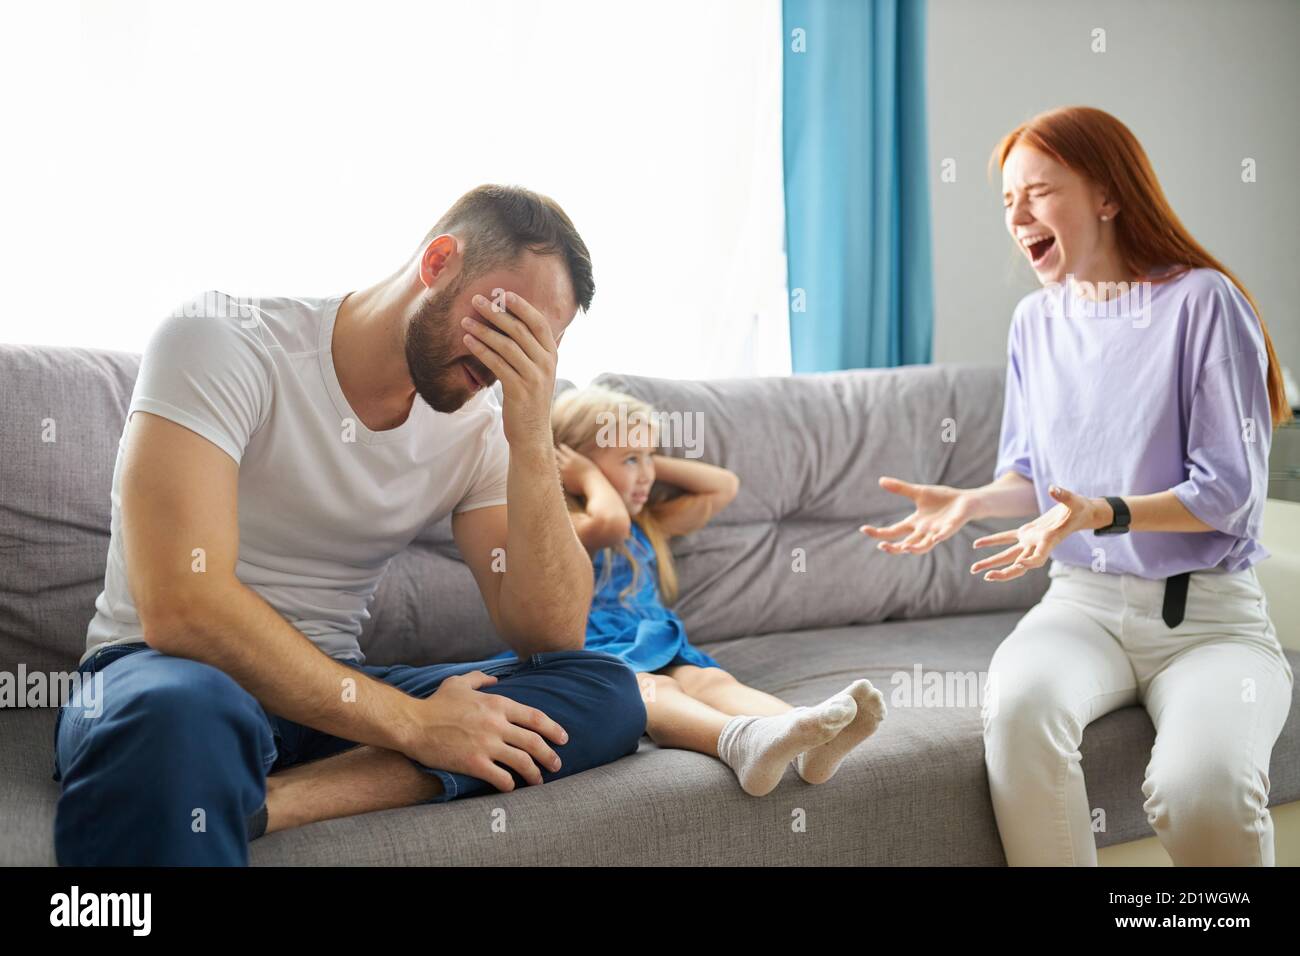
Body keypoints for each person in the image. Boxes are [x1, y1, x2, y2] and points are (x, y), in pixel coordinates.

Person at [53, 185, 646, 865]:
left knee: (605, 691)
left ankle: (270, 802)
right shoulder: (222, 341)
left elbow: (550, 633)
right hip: (166, 675)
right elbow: (181, 607)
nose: (507, 362)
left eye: (538, 347)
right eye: (507, 325)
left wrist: (532, 434)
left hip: (331, 695)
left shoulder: (483, 427)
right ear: (439, 264)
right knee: (175, 720)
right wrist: (415, 724)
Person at [861, 106, 1294, 865]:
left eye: (1037, 192)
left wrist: (1107, 512)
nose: (1017, 215)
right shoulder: (1034, 322)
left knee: (1204, 792)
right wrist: (972, 500)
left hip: (1208, 620)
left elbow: (1228, 493)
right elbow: (1036, 482)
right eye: (1006, 201)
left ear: (1107, 194)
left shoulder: (1202, 302)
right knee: (1019, 715)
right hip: (1081, 605)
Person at [497, 385, 886, 797]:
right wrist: (590, 474)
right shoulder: (561, 524)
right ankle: (738, 742)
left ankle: (811, 734)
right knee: (654, 690)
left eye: (650, 455)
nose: (645, 472)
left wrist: (641, 463)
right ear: (569, 463)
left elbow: (724, 486)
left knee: (711, 681)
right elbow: (611, 525)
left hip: (657, 640)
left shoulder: (649, 521)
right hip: (595, 649)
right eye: (631, 459)